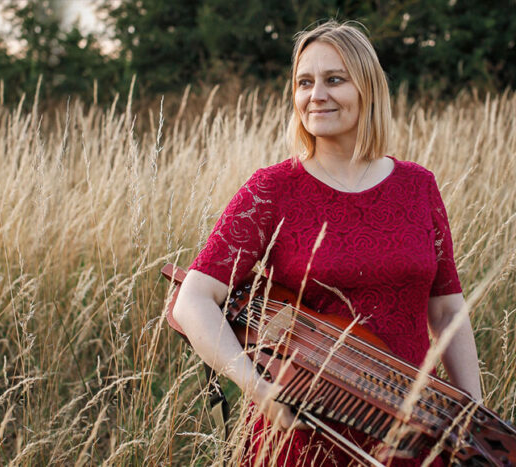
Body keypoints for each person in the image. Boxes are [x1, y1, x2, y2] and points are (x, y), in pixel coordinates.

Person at [172, 20, 482, 466]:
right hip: (300, 432)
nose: (316, 94)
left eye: (334, 80)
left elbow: (447, 310)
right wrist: (259, 390)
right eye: (304, 82)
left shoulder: (418, 186)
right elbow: (193, 299)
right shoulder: (273, 189)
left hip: (410, 432)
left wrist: (474, 418)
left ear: (367, 90)